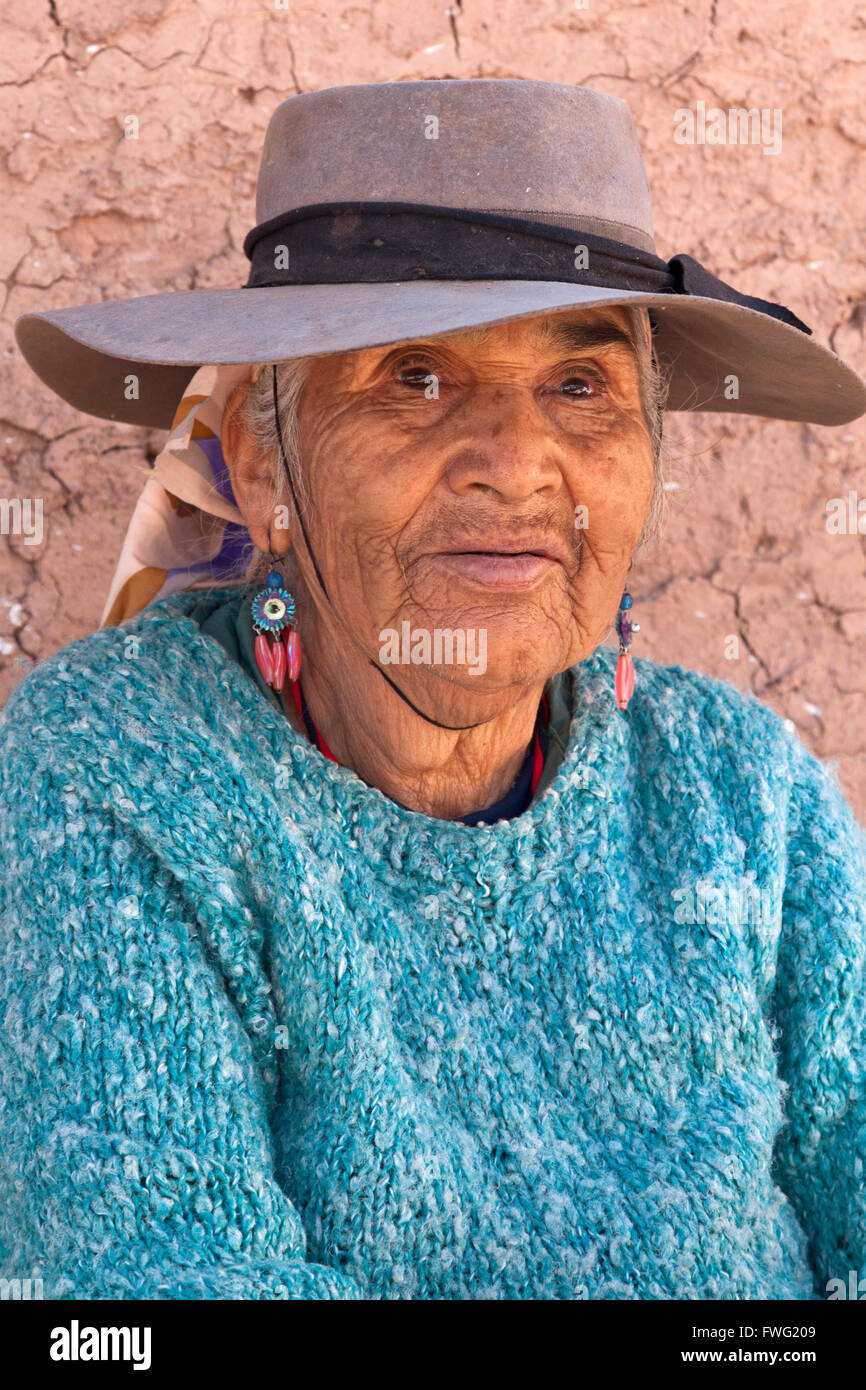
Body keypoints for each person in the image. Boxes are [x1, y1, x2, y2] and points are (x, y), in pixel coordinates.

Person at [1, 78, 865, 1301]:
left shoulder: (745, 795)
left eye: (579, 387)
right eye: (413, 378)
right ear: (260, 462)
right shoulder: (121, 771)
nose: (516, 465)